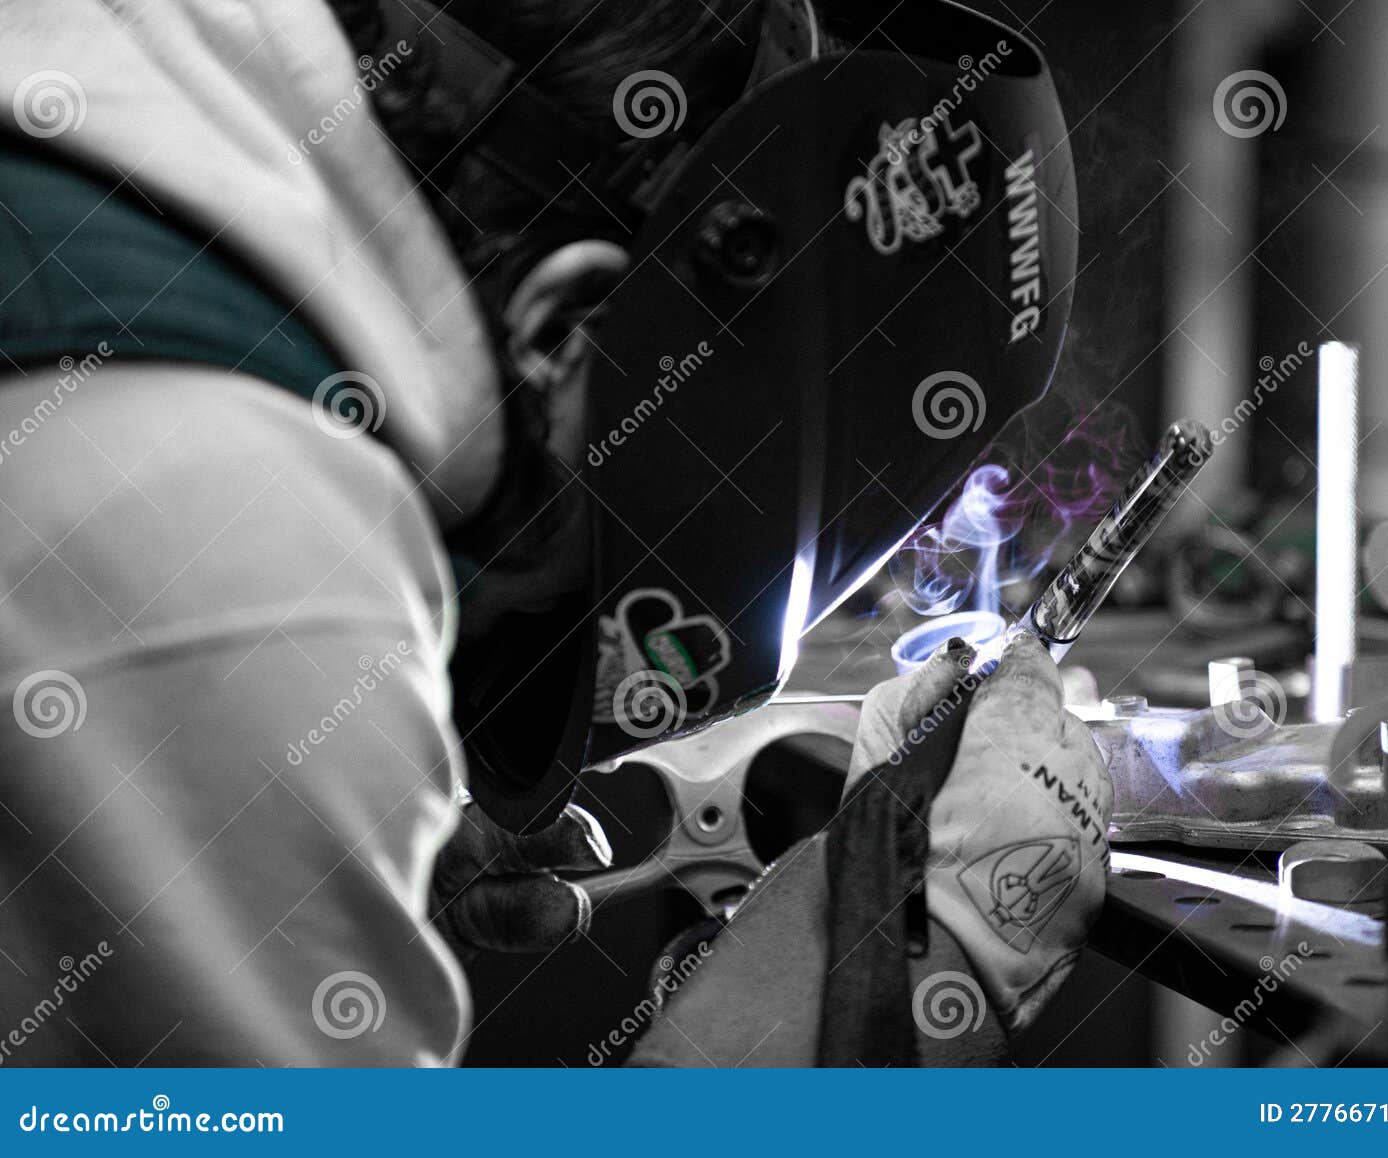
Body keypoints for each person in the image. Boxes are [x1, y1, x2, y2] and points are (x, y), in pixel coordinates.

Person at [0, 0, 1111, 1065]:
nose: (518, 601)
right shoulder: (218, 509)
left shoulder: (100, 153)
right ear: (565, 334)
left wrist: (304, 832)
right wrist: (907, 969)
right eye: (551, 567)